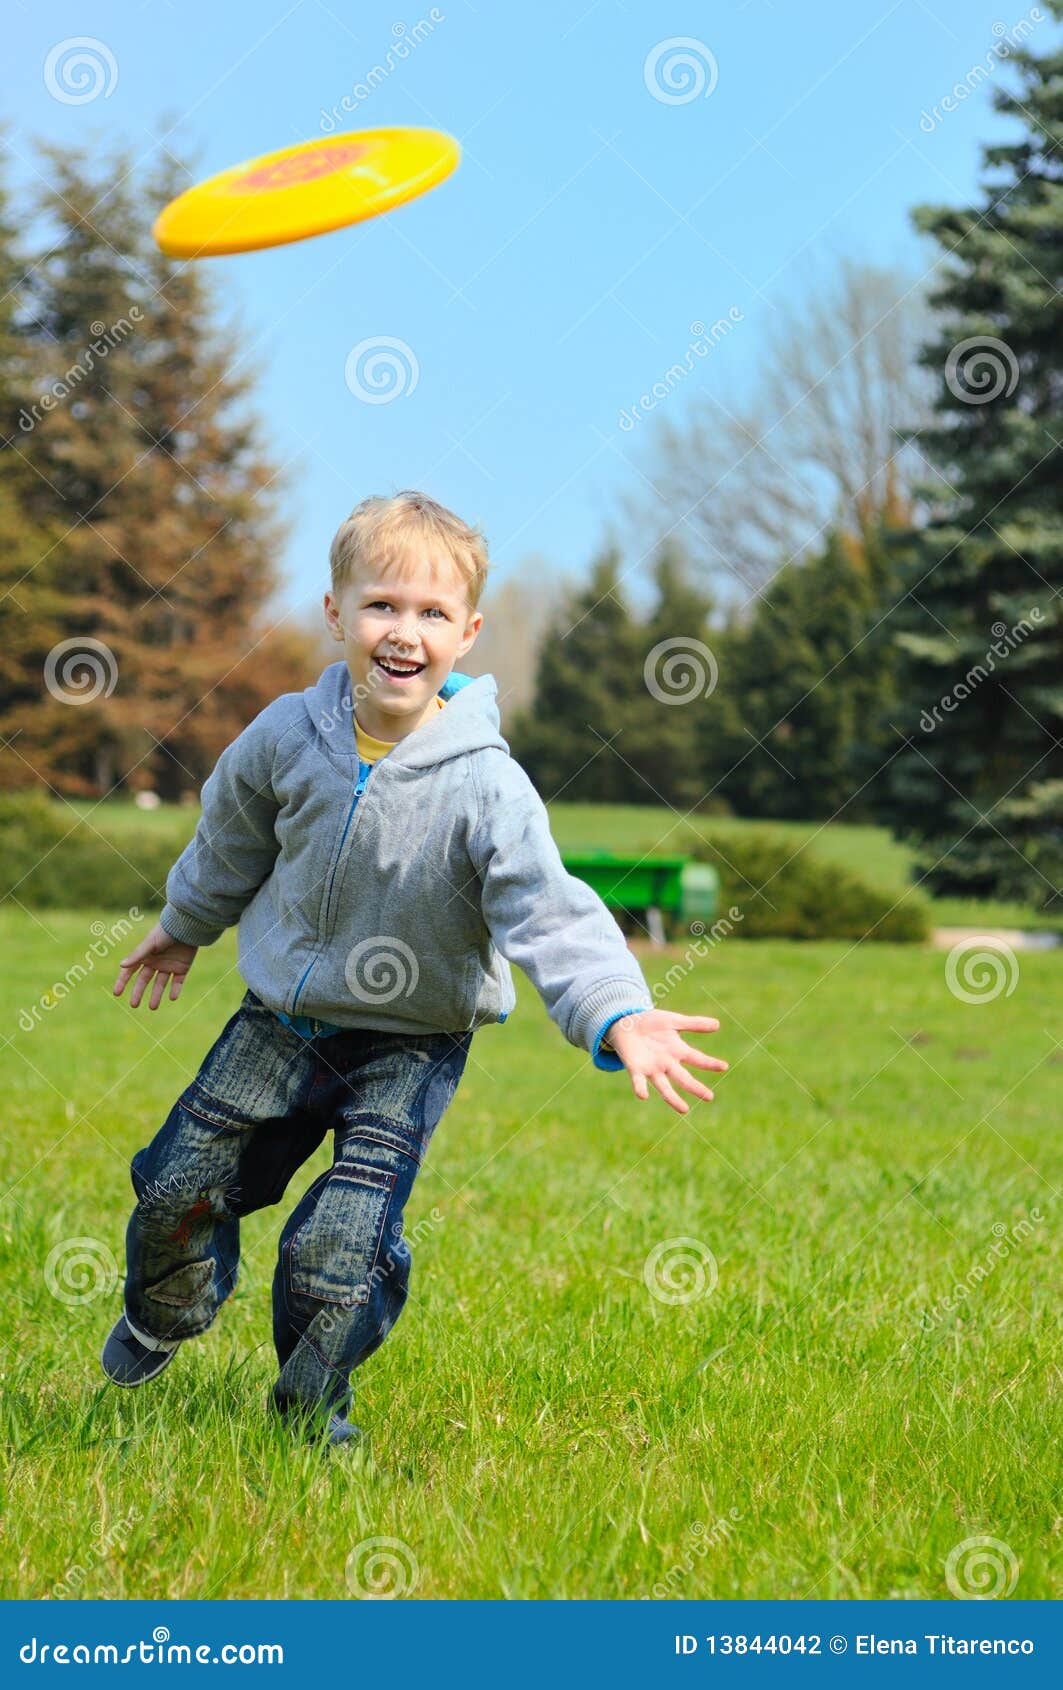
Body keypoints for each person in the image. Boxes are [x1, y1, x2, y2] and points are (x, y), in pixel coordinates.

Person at [102, 491, 727, 1446]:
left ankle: (311, 1416)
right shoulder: (284, 735)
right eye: (382, 605)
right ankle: (168, 1309)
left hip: (409, 1047)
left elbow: (545, 905)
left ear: (467, 634)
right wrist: (186, 923)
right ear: (335, 614)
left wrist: (615, 1010)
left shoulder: (484, 781)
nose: (404, 631)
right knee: (178, 1181)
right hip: (279, 1021)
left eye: (432, 614)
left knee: (337, 1246)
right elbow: (230, 838)